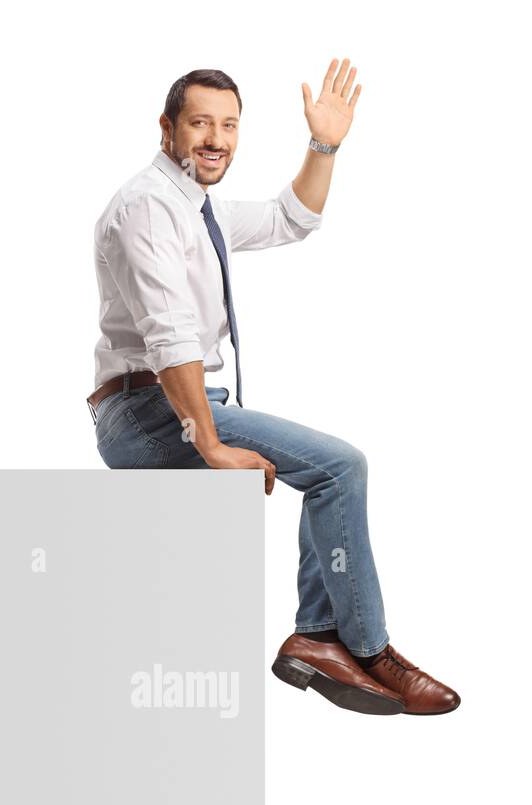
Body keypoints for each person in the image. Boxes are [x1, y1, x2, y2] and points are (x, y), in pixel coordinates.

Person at [88, 60, 458, 716]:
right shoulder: (148, 206)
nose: (216, 138)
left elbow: (293, 219)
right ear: (167, 128)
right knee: (340, 469)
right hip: (146, 408)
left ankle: (320, 636)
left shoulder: (198, 208)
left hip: (168, 402)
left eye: (229, 126)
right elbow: (170, 335)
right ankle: (363, 646)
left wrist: (324, 145)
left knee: (325, 475)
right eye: (200, 122)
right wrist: (209, 441)